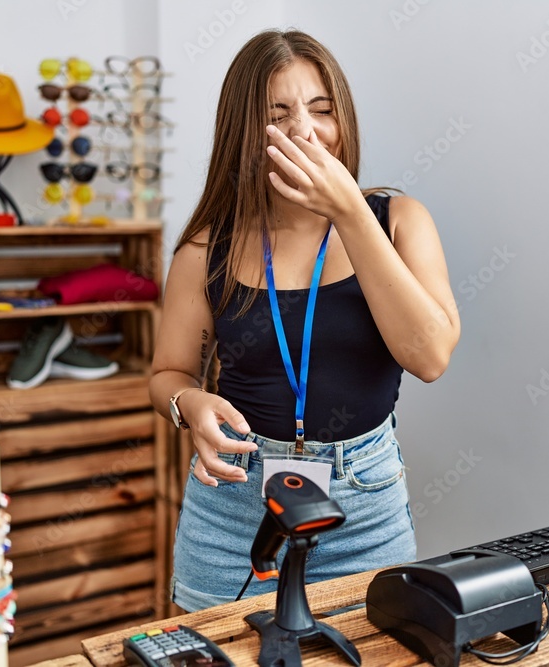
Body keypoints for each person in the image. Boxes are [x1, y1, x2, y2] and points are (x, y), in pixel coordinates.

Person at [150, 29, 460, 611]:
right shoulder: (205, 248)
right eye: (278, 114)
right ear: (244, 132)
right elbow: (169, 372)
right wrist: (186, 405)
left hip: (364, 509)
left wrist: (348, 211)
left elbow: (430, 356)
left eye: (321, 110)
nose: (304, 130)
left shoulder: (399, 221)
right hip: (234, 508)